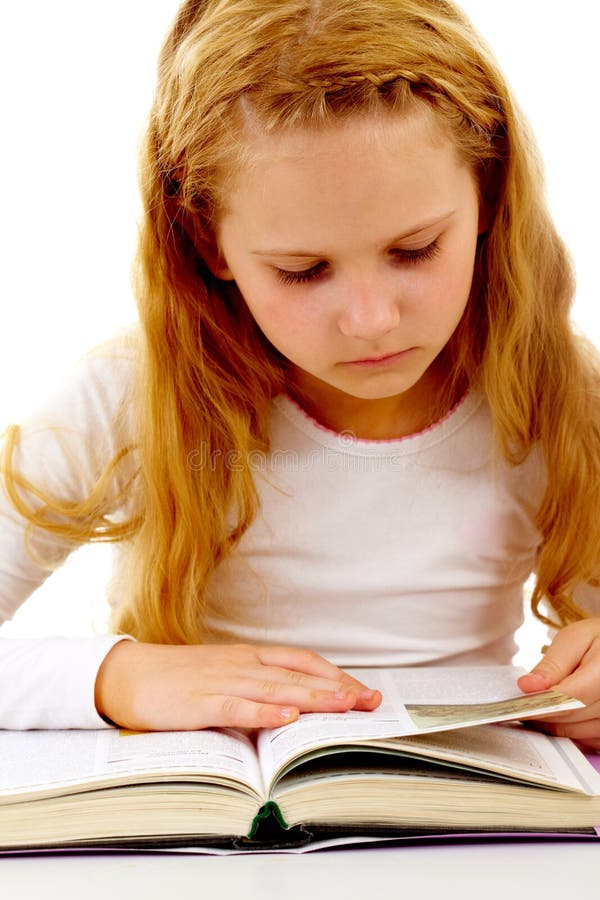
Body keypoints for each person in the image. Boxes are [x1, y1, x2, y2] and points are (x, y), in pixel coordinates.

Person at [1, 0, 599, 748]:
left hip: (475, 834)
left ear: (488, 195)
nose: (370, 319)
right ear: (207, 244)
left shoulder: (557, 396)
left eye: (415, 250)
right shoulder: (131, 395)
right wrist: (115, 678)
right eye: (302, 270)